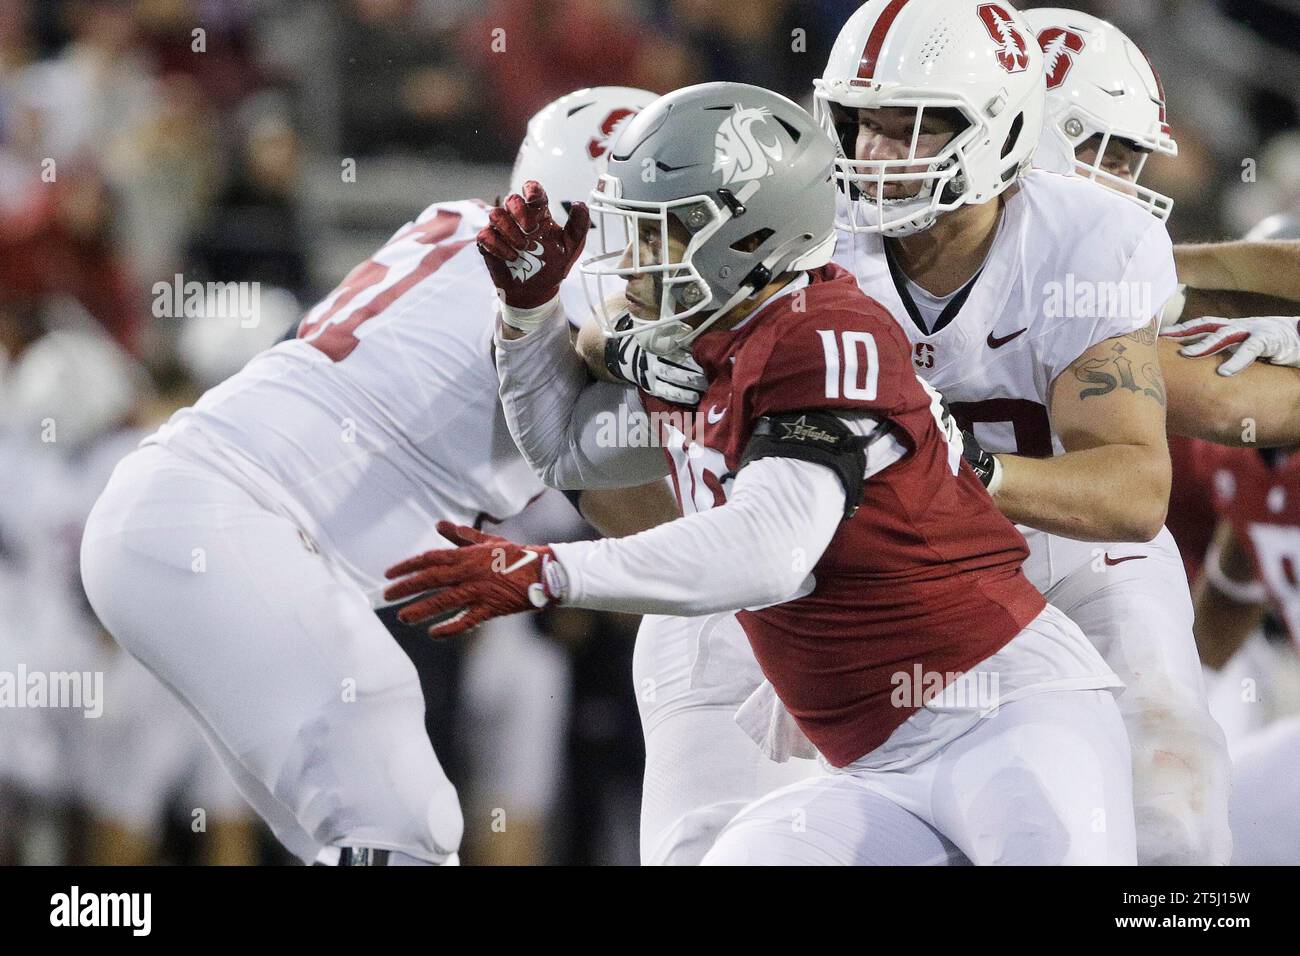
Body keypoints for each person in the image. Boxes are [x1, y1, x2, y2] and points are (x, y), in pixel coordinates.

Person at [386, 82, 1137, 865]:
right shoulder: (695, 335)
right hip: (871, 766)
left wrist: (551, 572)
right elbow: (567, 449)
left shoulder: (825, 336)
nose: (635, 264)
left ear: (749, 236)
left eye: (663, 234)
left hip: (1004, 714)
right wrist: (529, 309)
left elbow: (768, 548)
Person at [80, 87, 666, 866]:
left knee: (366, 833)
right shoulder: (577, 284)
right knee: (405, 819)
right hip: (226, 525)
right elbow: (648, 522)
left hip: (185, 516)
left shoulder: (452, 225)